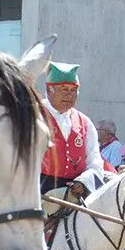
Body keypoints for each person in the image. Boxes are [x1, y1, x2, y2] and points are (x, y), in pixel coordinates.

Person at [39, 62, 103, 192]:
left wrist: (84, 182)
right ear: (48, 90)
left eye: (74, 90)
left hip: (75, 192)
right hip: (38, 191)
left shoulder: (85, 122)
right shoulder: (33, 115)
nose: (70, 95)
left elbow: (95, 161)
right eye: (64, 89)